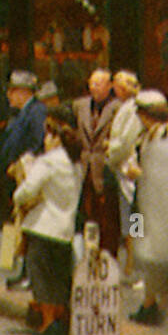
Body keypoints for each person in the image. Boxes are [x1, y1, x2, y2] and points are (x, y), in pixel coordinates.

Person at [13, 111, 83, 335]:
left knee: (41, 276)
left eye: (47, 136)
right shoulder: (77, 164)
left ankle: (48, 322)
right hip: (65, 229)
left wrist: (18, 195)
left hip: (43, 227)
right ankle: (62, 322)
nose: (44, 140)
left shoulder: (48, 162)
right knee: (60, 278)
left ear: (55, 138)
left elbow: (27, 191)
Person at [128, 90, 168, 324]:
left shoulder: (167, 136)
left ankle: (152, 304)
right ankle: (147, 298)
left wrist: (140, 173)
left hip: (156, 202)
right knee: (136, 236)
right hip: (141, 199)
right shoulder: (146, 135)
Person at [2, 70, 46, 288]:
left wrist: (22, 164)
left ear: (23, 92)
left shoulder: (36, 112)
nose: (9, 95)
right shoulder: (20, 112)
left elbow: (38, 144)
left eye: (12, 91)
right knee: (21, 224)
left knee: (29, 225)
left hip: (29, 175)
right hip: (19, 176)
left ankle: (30, 274)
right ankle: (21, 269)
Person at [74, 68, 120, 256]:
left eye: (98, 83)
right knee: (87, 217)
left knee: (110, 219)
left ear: (110, 86)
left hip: (107, 169)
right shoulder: (80, 105)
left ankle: (111, 258)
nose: (93, 87)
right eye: (91, 83)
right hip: (85, 170)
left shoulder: (118, 107)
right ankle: (89, 257)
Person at [103, 70, 142, 275]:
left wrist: (110, 151)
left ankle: (133, 265)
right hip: (123, 168)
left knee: (134, 219)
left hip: (129, 169)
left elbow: (126, 141)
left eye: (117, 84)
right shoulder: (126, 107)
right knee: (128, 219)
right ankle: (130, 264)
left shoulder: (133, 108)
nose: (115, 88)